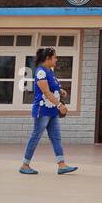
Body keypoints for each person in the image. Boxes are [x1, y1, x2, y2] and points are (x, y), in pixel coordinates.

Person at [19, 47, 78, 176]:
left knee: (56, 137)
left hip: (52, 111)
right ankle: (25, 164)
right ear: (48, 58)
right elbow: (46, 92)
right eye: (55, 57)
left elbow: (53, 87)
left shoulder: (50, 71)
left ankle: (61, 165)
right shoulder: (41, 72)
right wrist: (60, 105)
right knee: (35, 137)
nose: (56, 59)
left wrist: (61, 91)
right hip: (43, 110)